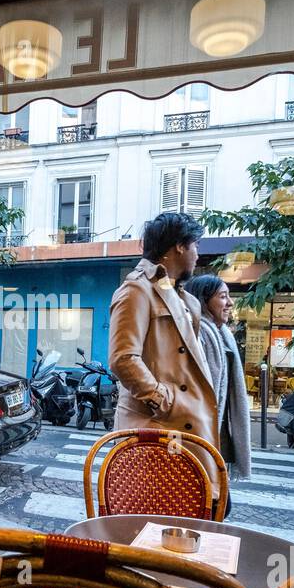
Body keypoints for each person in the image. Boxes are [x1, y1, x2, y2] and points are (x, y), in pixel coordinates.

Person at [107, 212, 221, 502]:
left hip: (185, 426)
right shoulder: (136, 289)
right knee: (156, 518)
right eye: (195, 244)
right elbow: (123, 358)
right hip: (158, 429)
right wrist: (164, 400)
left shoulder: (185, 299)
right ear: (179, 247)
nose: (198, 253)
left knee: (206, 506)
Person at [184, 275, 251, 480]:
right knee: (211, 503)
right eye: (223, 297)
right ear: (203, 301)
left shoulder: (223, 335)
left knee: (216, 503)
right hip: (200, 433)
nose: (230, 303)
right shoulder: (197, 334)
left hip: (218, 431)